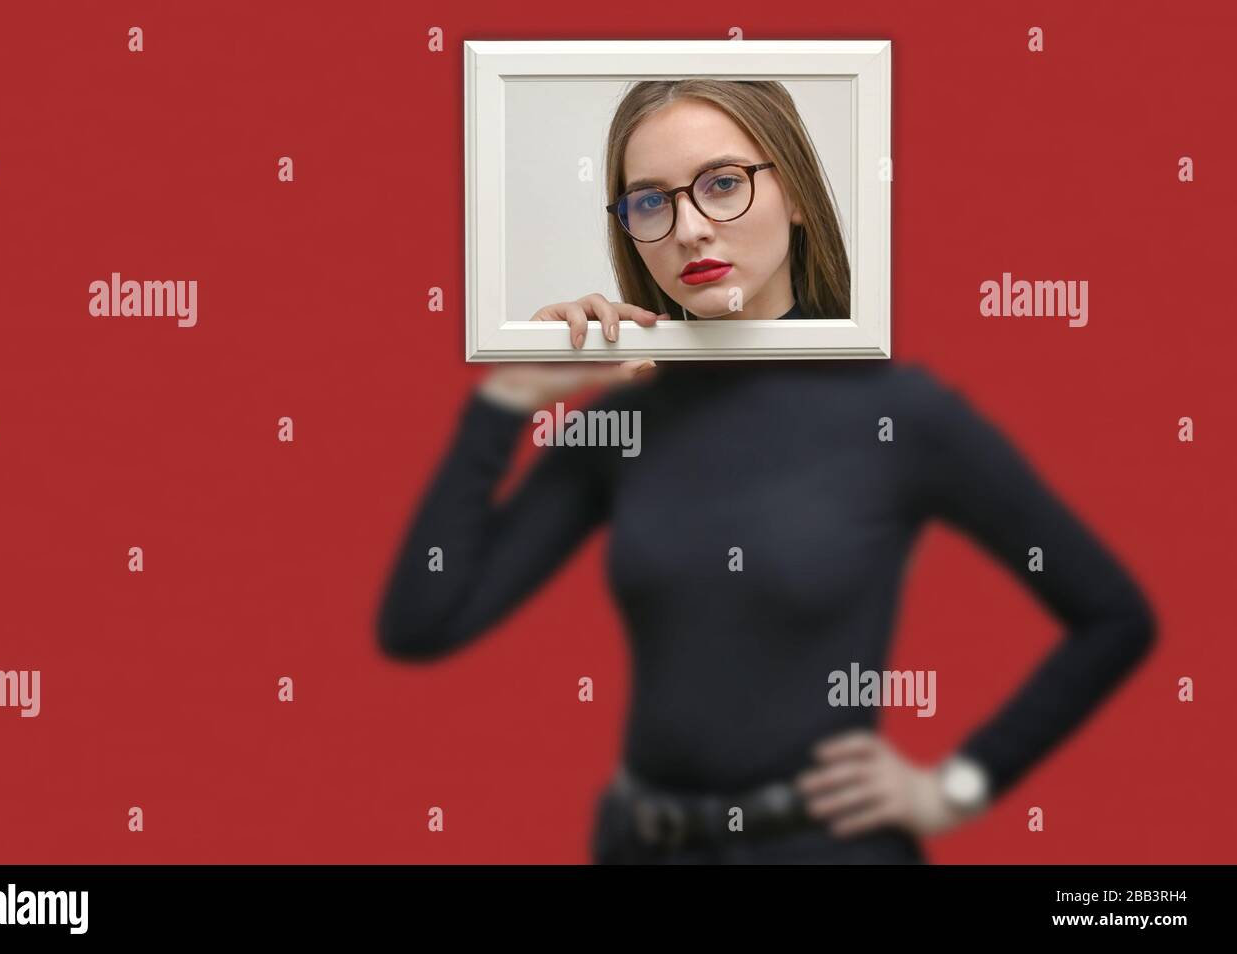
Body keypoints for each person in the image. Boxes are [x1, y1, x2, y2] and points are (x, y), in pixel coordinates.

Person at [376, 80, 1157, 864]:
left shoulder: (899, 413)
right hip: (639, 846)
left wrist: (957, 787)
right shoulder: (628, 416)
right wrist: (508, 399)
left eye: (722, 183)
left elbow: (1114, 618)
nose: (687, 230)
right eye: (649, 202)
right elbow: (422, 624)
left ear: (797, 198)